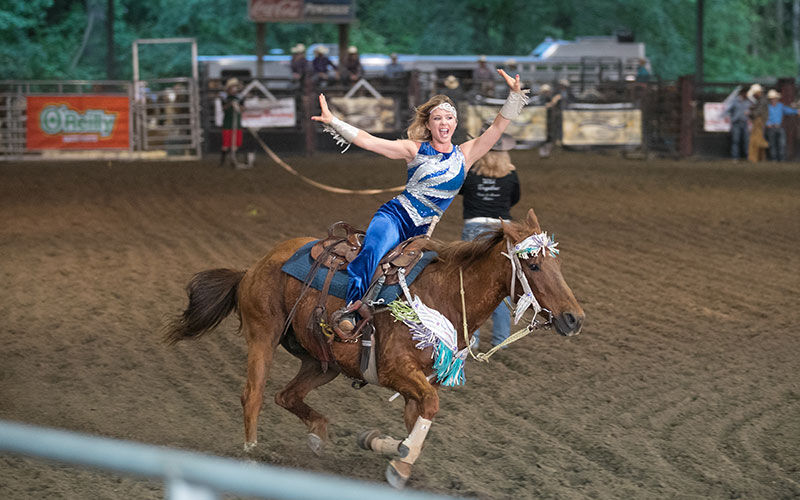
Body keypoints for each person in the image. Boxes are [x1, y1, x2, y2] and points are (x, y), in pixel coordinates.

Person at [311, 69, 528, 334]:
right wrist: (334, 121)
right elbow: (369, 141)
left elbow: (497, 127)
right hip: (394, 217)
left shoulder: (466, 154)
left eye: (449, 117)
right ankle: (351, 310)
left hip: (423, 232)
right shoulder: (413, 149)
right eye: (437, 118)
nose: (443, 122)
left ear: (455, 124)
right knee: (373, 251)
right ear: (428, 125)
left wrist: (515, 96)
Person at [459, 129, 520, 349]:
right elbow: (515, 198)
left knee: (471, 284)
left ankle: (471, 338)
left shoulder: (471, 173)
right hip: (501, 228)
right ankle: (501, 340)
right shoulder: (510, 175)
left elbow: (460, 191)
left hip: (474, 228)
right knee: (500, 286)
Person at [765, 88, 798, 161]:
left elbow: (788, 111)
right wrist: (768, 124)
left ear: (777, 99)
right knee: (772, 144)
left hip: (779, 127)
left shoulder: (780, 106)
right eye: (772, 99)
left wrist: (797, 111)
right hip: (771, 127)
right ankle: (774, 158)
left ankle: (781, 158)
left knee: (782, 143)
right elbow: (764, 117)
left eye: (774, 98)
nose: (773, 100)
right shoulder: (767, 107)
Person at [220, 78, 244, 166]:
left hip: (236, 124)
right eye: (233, 87)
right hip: (227, 124)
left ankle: (233, 159)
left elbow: (243, 109)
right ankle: (222, 161)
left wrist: (238, 106)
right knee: (226, 144)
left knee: (235, 144)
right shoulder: (225, 98)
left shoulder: (240, 98)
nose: (234, 89)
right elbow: (223, 108)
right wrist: (231, 103)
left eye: (235, 87)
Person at [725, 87, 751, 160]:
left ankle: (747, 156)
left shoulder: (748, 102)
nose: (745, 94)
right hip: (736, 123)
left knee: (746, 140)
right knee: (736, 140)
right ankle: (735, 157)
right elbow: (728, 110)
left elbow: (752, 111)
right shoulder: (735, 101)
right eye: (744, 93)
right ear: (741, 94)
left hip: (744, 123)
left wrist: (750, 113)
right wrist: (729, 117)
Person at [747, 84, 769, 162]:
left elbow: (758, 112)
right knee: (759, 139)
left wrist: (750, 113)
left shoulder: (762, 100)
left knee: (755, 140)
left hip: (759, 122)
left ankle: (753, 158)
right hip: (761, 122)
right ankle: (761, 157)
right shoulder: (762, 100)